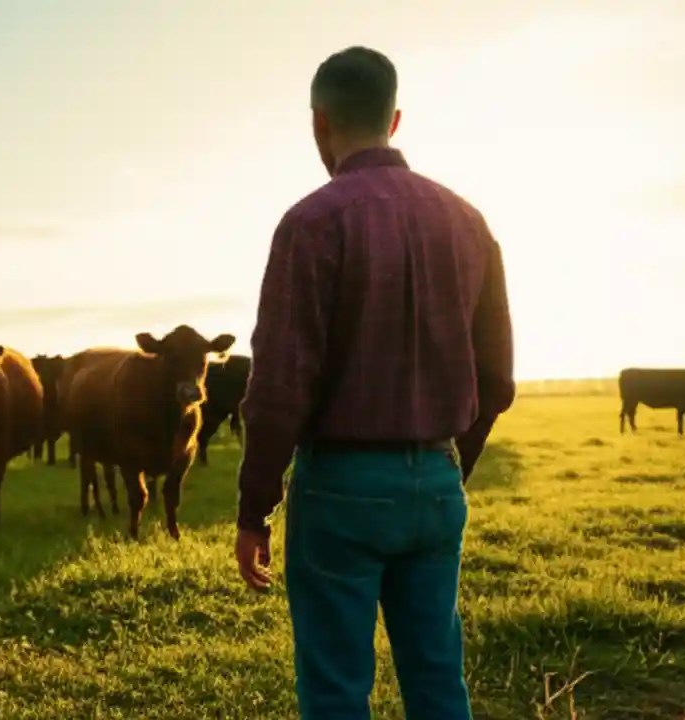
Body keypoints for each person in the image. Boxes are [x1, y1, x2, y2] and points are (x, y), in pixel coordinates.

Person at [233, 46, 516, 719]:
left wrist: (256, 507)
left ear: (318, 123)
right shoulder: (468, 222)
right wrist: (447, 468)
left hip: (340, 488)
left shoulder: (310, 224)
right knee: (439, 682)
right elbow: (497, 378)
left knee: (335, 692)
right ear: (394, 119)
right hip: (438, 484)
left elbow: (278, 387)